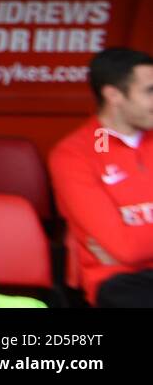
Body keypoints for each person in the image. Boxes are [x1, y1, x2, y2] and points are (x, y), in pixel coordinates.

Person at [49, 48, 153, 308]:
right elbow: (124, 248)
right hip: (121, 281)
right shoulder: (74, 154)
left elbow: (126, 248)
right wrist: (127, 249)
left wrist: (134, 242)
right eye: (150, 91)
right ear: (113, 94)